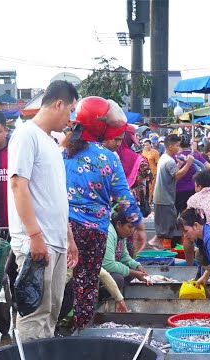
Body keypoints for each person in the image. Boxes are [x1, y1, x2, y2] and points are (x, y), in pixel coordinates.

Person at [61, 97, 140, 334]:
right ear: (100, 126)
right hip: (94, 232)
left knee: (59, 280)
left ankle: (54, 327)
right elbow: (124, 199)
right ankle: (81, 331)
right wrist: (139, 225)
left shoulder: (62, 152)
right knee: (87, 283)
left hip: (63, 227)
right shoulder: (107, 157)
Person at [8, 79, 79, 341]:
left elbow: (56, 195)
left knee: (52, 311)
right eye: (70, 110)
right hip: (36, 241)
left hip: (56, 240)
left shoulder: (51, 143)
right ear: (58, 104)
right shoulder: (26, 135)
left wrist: (68, 237)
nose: (70, 118)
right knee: (34, 311)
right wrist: (35, 236)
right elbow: (18, 185)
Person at [153, 134, 192, 249]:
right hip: (164, 197)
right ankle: (156, 243)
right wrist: (188, 164)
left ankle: (161, 245)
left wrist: (179, 165)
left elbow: (172, 174)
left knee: (168, 223)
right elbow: (177, 176)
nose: (179, 149)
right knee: (167, 225)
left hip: (163, 196)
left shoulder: (165, 158)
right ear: (170, 146)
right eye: (177, 146)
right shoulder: (169, 160)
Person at [103, 210, 150, 291]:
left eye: (133, 227)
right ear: (118, 224)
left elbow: (124, 256)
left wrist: (137, 266)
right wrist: (134, 273)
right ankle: (101, 298)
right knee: (118, 279)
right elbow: (108, 264)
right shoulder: (109, 232)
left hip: (108, 269)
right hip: (99, 271)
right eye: (129, 227)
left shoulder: (121, 235)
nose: (132, 231)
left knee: (131, 272)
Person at [174, 135, 208, 213]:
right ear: (190, 144)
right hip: (192, 189)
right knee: (190, 214)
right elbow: (208, 167)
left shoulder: (175, 156)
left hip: (177, 189)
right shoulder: (195, 155)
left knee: (177, 213)